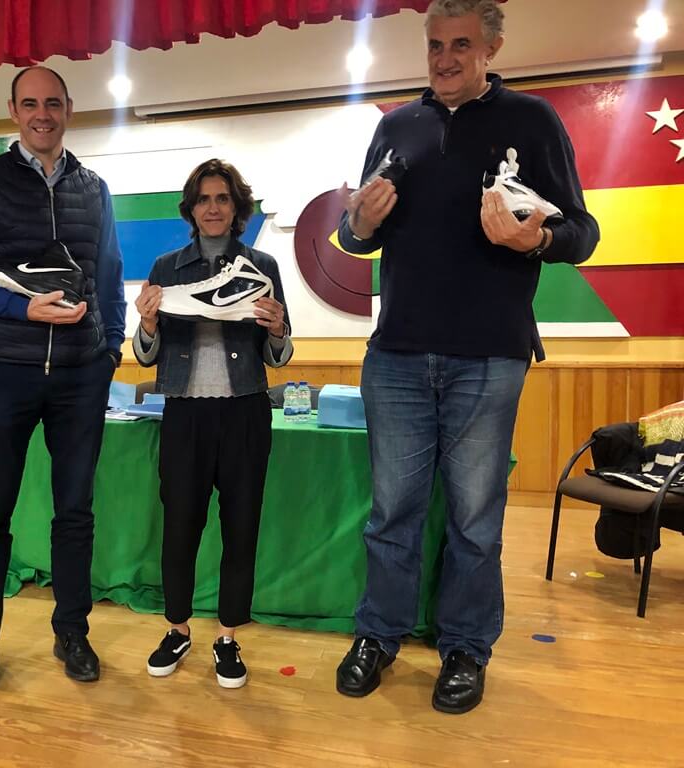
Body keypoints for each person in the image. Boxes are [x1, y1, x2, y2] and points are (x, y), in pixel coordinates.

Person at [334, 0, 599, 714]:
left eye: (459, 45)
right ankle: (379, 634)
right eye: (434, 45)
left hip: (490, 354)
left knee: (475, 517)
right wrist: (357, 223)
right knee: (392, 511)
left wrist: (534, 240)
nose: (444, 58)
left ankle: (465, 648)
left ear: (491, 48)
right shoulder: (396, 127)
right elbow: (355, 234)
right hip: (397, 355)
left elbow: (583, 231)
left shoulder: (533, 121)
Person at [0, 66, 126, 693]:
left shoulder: (94, 189)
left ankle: (72, 632)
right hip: (6, 373)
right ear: (13, 110)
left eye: (53, 103)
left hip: (80, 378)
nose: (42, 114)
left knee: (75, 513)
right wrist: (21, 308)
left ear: (69, 108)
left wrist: (110, 351)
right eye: (30, 104)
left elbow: (108, 275)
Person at [133, 159, 293, 688]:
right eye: (203, 199)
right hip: (183, 412)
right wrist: (149, 322)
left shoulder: (262, 265)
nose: (213, 208)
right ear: (191, 209)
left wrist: (275, 330)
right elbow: (144, 355)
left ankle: (227, 637)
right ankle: (178, 629)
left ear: (236, 207)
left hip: (246, 410)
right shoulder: (165, 268)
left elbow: (281, 355)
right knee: (180, 525)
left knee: (241, 525)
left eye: (222, 198)